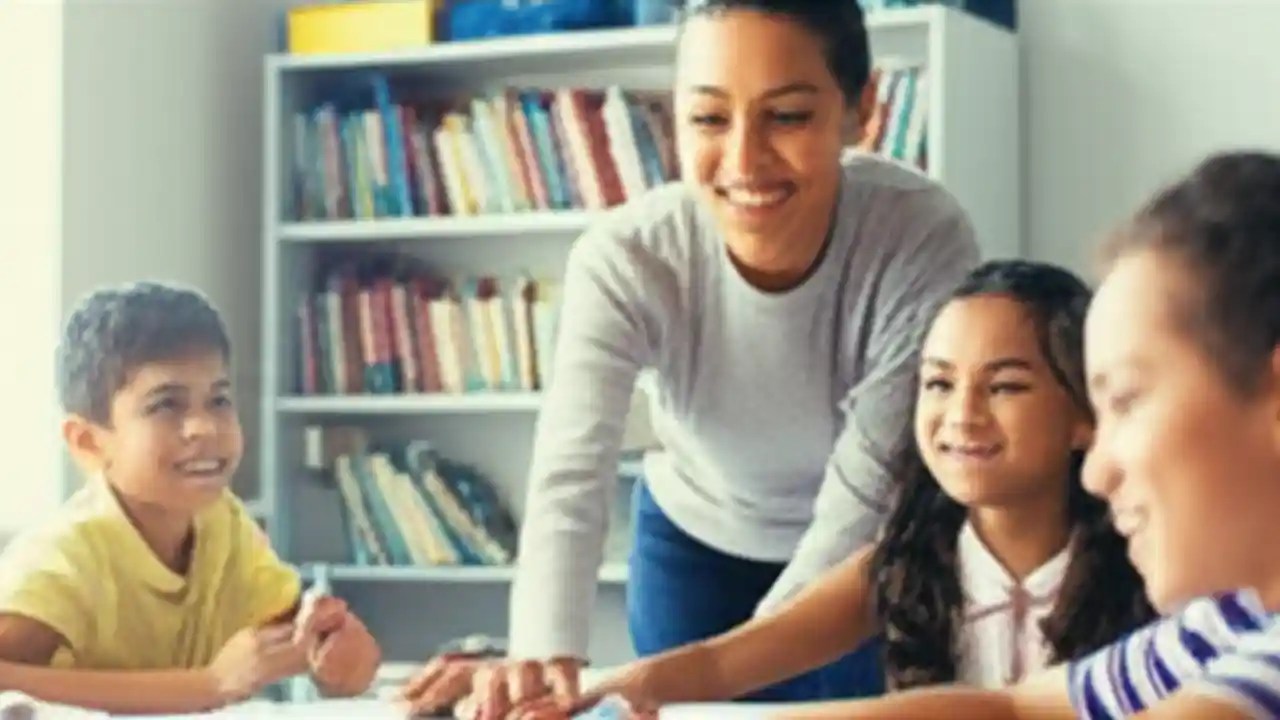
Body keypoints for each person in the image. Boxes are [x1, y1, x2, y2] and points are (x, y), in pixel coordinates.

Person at [401, 0, 980, 712]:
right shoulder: (629, 254)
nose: (743, 161)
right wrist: (540, 656)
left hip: (856, 562)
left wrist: (743, 660)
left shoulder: (920, 235)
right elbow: (571, 469)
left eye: (788, 116)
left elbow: (867, 491)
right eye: (708, 118)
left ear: (862, 110)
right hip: (693, 544)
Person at [458, 260, 1156, 720]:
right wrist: (608, 691)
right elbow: (723, 660)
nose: (961, 415)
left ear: (1083, 416)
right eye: (939, 383)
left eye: (1004, 386)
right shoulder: (901, 563)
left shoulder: (1150, 566)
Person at [730, 151, 1280, 719]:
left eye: (1127, 400)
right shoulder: (1230, 623)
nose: (1097, 468)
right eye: (938, 382)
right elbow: (1013, 710)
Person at [0, 282, 381, 714]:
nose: (204, 427)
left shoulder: (223, 524)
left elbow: (318, 647)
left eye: (219, 400)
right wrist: (209, 685)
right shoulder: (62, 560)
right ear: (88, 442)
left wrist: (338, 654)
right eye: (166, 406)